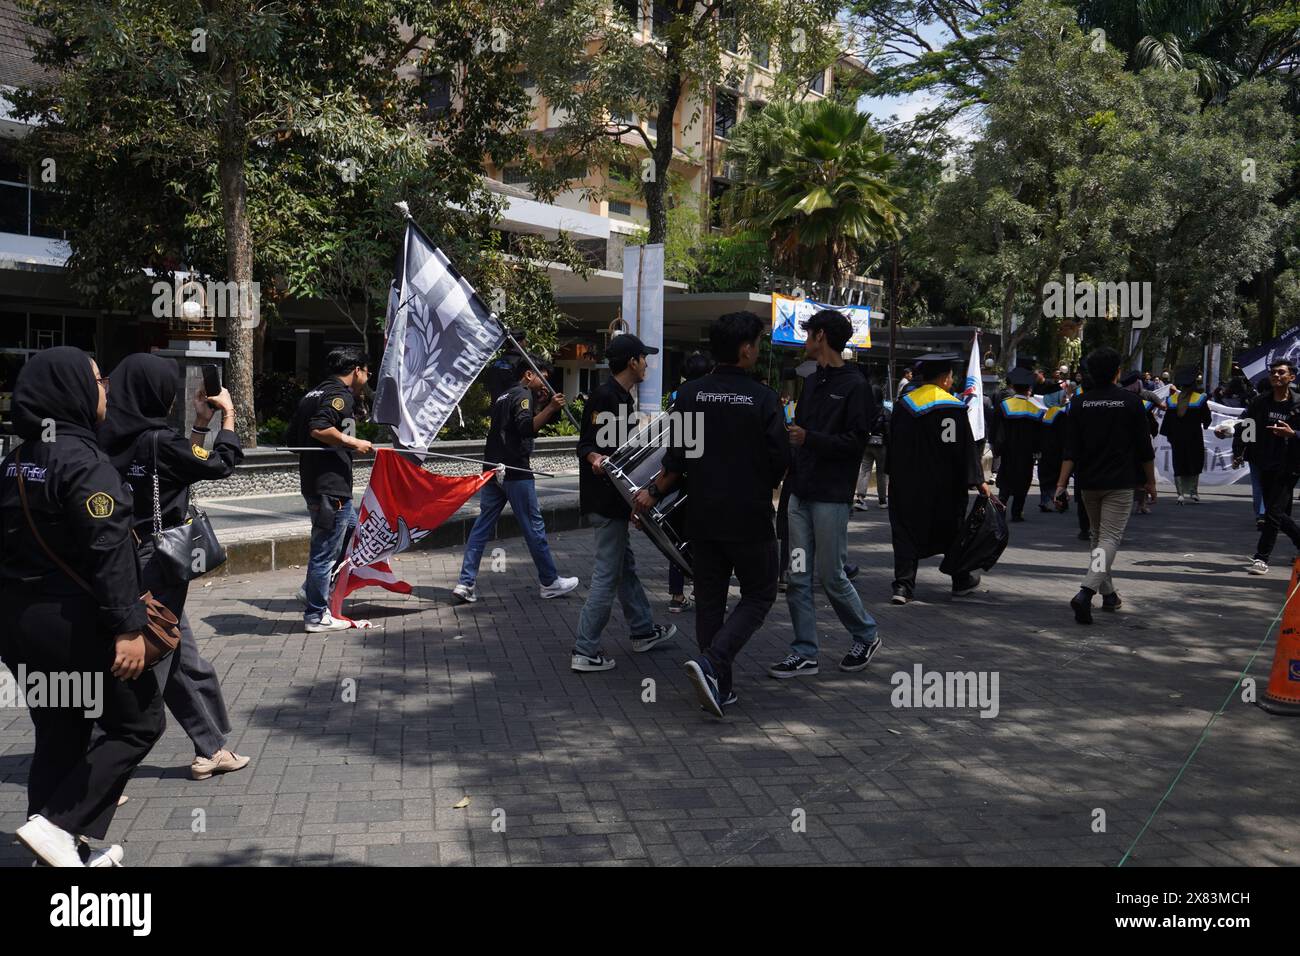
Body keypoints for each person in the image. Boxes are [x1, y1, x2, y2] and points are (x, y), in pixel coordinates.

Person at [0, 347, 164, 867]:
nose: (105, 389)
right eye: (98, 379)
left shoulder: (15, 458)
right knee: (138, 724)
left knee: (60, 727)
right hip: (74, 623)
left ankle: (57, 844)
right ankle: (57, 825)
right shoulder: (83, 462)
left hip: (19, 622)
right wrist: (128, 628)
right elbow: (109, 551)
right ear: (71, 387)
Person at [97, 353, 250, 781]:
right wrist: (229, 416)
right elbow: (218, 463)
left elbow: (181, 465)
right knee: (152, 657)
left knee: (179, 651)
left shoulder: (107, 434)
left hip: (125, 555)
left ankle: (212, 747)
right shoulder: (160, 440)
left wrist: (200, 425)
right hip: (160, 559)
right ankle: (95, 768)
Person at [633, 311, 788, 717]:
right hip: (749, 515)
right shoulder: (765, 398)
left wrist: (652, 492)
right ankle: (712, 664)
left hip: (701, 515)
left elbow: (677, 459)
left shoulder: (689, 395)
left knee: (709, 601)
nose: (757, 349)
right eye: (756, 342)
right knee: (760, 592)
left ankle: (720, 686)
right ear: (744, 349)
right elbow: (779, 461)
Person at [767, 310, 880, 679]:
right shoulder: (813, 381)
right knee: (797, 575)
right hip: (799, 493)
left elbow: (855, 443)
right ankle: (804, 651)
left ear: (821, 336)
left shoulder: (856, 386)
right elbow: (802, 431)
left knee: (831, 575)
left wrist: (808, 439)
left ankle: (865, 633)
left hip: (831, 496)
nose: (804, 341)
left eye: (808, 334)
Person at [570, 333, 677, 672]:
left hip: (613, 500)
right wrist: (594, 458)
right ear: (632, 361)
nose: (647, 363)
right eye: (644, 358)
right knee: (606, 574)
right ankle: (585, 650)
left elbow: (622, 454)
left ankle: (643, 630)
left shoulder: (620, 397)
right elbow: (586, 444)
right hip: (605, 501)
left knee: (624, 568)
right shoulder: (607, 397)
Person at [453, 356, 579, 603]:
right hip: (515, 470)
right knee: (534, 527)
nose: (545, 383)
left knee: (481, 528)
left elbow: (510, 426)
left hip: (492, 469)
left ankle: (465, 583)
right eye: (542, 376)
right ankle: (550, 581)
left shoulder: (503, 395)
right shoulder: (522, 394)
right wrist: (551, 408)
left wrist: (542, 406)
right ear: (529, 374)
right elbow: (524, 427)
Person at [1055, 347, 1155, 623]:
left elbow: (1070, 450)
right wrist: (1150, 482)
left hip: (1088, 481)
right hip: (1120, 482)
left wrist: (1061, 485)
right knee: (1108, 539)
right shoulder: (1132, 403)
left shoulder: (1079, 403)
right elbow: (1145, 449)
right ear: (1117, 373)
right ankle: (1086, 592)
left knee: (1099, 538)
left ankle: (1109, 594)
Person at [887, 353, 992, 604]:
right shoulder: (953, 407)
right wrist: (978, 480)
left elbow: (894, 445)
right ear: (945, 378)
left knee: (905, 532)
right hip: (945, 485)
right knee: (953, 531)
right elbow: (965, 448)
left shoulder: (904, 405)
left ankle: (903, 587)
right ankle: (960, 580)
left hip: (908, 483)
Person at [287, 346, 374, 632]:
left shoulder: (313, 394)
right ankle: (316, 615)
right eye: (366, 370)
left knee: (350, 531)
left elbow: (292, 439)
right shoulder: (339, 395)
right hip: (330, 487)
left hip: (316, 482)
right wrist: (354, 443)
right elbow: (318, 428)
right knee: (324, 550)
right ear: (356, 370)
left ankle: (308, 590)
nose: (368, 375)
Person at [1234, 360, 1300, 576]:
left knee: (1272, 512)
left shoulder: (1298, 404)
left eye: (1281, 372)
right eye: (1273, 372)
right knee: (1278, 512)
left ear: (1291, 377)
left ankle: (1261, 558)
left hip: (1290, 464)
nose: (1276, 376)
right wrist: (1239, 452)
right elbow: (1246, 427)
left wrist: (1293, 434)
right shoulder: (1260, 402)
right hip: (1264, 463)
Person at [665, 351, 712, 612]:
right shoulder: (711, 395)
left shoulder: (677, 396)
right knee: (702, 539)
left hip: (680, 473)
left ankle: (676, 595)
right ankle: (702, 591)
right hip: (705, 475)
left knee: (677, 538)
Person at [990, 367, 1043, 522]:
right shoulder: (1035, 410)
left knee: (1006, 481)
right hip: (1026, 454)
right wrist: (1037, 452)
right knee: (1023, 480)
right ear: (1029, 389)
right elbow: (1038, 437)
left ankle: (1001, 508)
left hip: (1008, 452)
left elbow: (996, 430)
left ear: (1013, 387)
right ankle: (1017, 512)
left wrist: (996, 448)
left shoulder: (1004, 406)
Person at [1161, 367, 1212, 504]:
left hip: (1177, 437)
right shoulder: (1200, 399)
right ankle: (1193, 492)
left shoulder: (1172, 400)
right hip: (1194, 437)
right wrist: (1206, 424)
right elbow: (1206, 418)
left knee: (1179, 461)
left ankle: (1180, 494)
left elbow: (1167, 422)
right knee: (1194, 461)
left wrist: (1170, 436)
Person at [854, 370, 889, 512]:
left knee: (865, 470)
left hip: (866, 443)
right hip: (881, 445)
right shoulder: (886, 411)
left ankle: (860, 499)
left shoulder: (864, 409)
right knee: (881, 472)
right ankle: (882, 500)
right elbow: (888, 429)